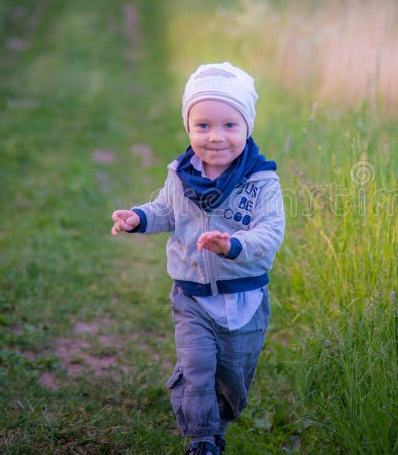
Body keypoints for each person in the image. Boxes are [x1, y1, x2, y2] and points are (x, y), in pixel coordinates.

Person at [110, 62, 285, 455]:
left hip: (245, 298)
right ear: (189, 127)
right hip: (192, 296)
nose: (215, 137)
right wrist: (138, 218)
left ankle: (218, 420)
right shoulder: (181, 173)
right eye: (203, 125)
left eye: (229, 125)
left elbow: (271, 232)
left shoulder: (261, 182)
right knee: (198, 368)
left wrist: (234, 246)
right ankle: (202, 438)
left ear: (247, 127)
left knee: (233, 379)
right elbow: (166, 210)